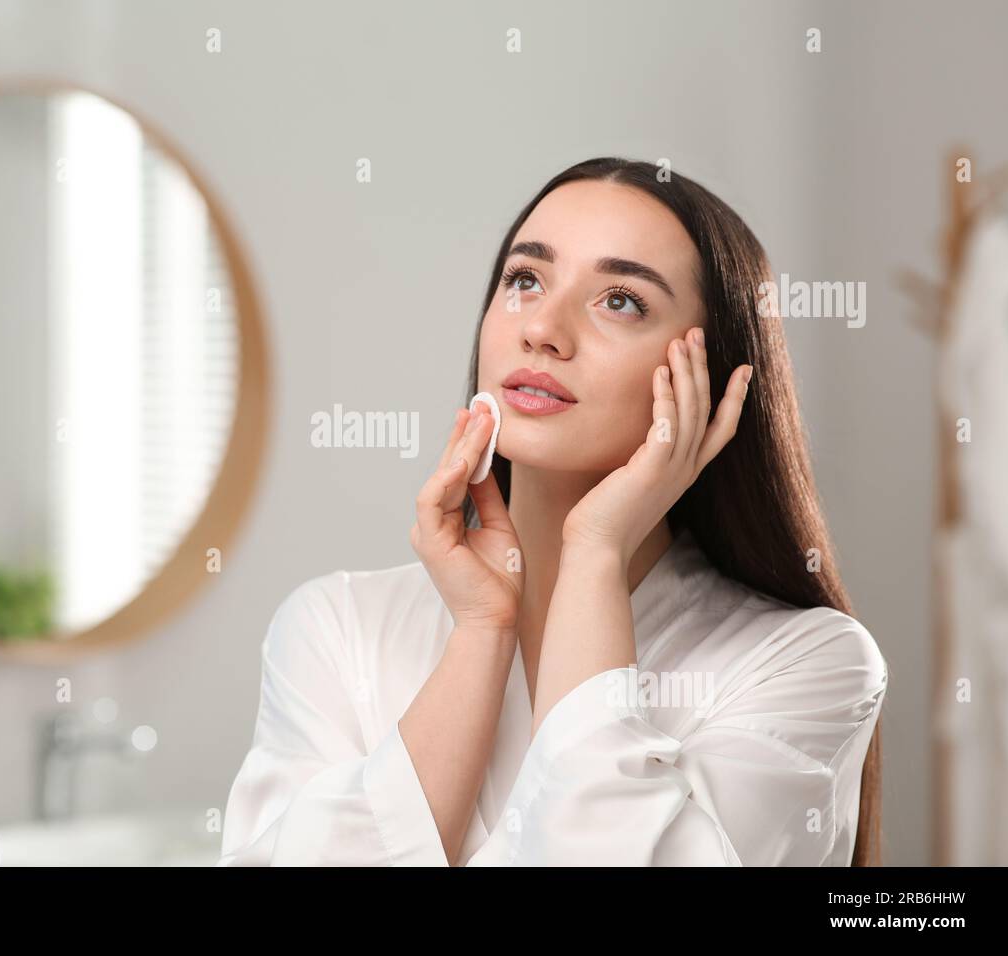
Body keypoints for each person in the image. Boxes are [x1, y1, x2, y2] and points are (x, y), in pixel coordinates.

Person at [217, 158, 888, 866]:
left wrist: (595, 553)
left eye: (621, 300)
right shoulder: (336, 626)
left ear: (710, 383)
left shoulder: (807, 663)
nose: (542, 328)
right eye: (525, 280)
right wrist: (482, 630)